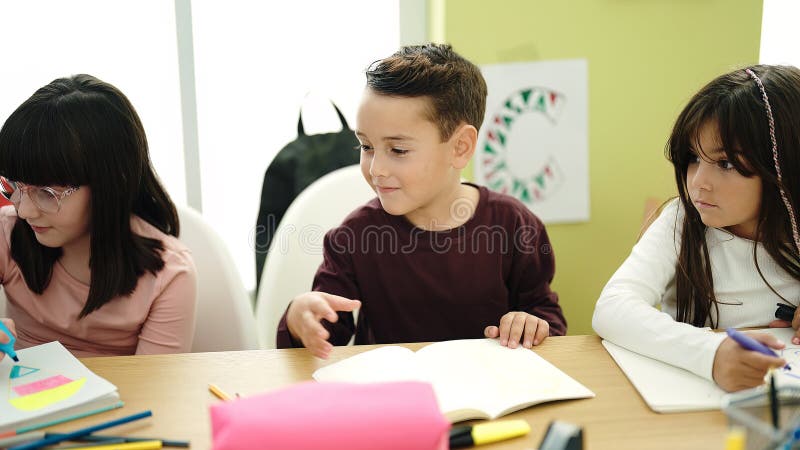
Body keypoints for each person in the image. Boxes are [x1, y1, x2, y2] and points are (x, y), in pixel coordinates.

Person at [277, 43, 566, 358]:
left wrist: (533, 323)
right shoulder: (354, 237)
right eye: (366, 146)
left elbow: (545, 316)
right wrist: (299, 318)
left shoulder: (513, 225)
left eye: (398, 150)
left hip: (488, 397)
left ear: (460, 147)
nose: (376, 169)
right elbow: (324, 331)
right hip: (395, 400)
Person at [593, 65, 800, 392]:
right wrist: (711, 353)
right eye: (693, 158)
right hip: (692, 402)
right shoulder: (681, 220)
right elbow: (612, 308)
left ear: (785, 166)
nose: (698, 182)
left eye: (726, 164)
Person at [0, 74, 197, 359]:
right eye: (14, 187)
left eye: (46, 193)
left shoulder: (168, 275)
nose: (24, 210)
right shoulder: (8, 235)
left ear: (111, 183)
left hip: (124, 402)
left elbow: (157, 389)